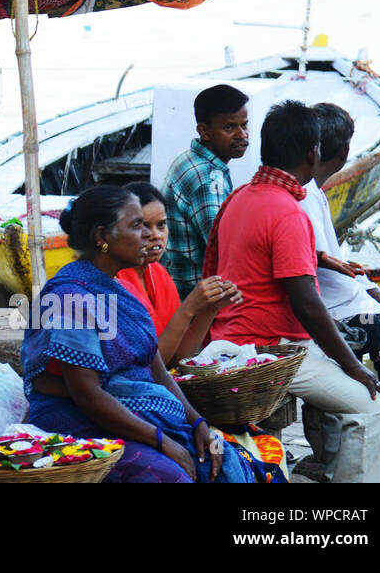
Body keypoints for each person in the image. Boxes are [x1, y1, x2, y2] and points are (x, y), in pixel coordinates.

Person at [204, 100, 380, 483]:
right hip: (270, 350)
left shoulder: (240, 197)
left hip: (231, 337)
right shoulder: (288, 211)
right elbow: (305, 301)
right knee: (372, 407)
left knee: (340, 371)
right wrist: (356, 368)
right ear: (313, 154)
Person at [21, 185, 263, 482]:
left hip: (131, 412)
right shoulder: (70, 298)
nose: (150, 235)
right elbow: (87, 394)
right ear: (102, 238)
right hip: (76, 419)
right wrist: (162, 440)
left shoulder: (119, 291)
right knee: (170, 476)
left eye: (156, 225)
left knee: (221, 462)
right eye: (137, 226)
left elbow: (157, 372)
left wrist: (199, 423)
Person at [301, 102, 380, 469]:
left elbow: (334, 260)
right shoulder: (305, 198)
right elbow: (323, 276)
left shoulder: (314, 192)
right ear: (342, 152)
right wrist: (373, 312)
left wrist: (373, 293)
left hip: (334, 302)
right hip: (325, 315)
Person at [116, 181, 242, 366]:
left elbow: (178, 359)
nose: (155, 235)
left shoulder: (158, 274)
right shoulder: (114, 281)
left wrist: (210, 308)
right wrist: (188, 308)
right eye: (142, 226)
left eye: (161, 225)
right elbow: (149, 369)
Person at [162, 84, 250, 293]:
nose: (241, 135)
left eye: (244, 125)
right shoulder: (209, 180)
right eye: (229, 127)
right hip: (196, 302)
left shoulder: (189, 159)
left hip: (177, 286)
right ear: (204, 131)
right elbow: (224, 250)